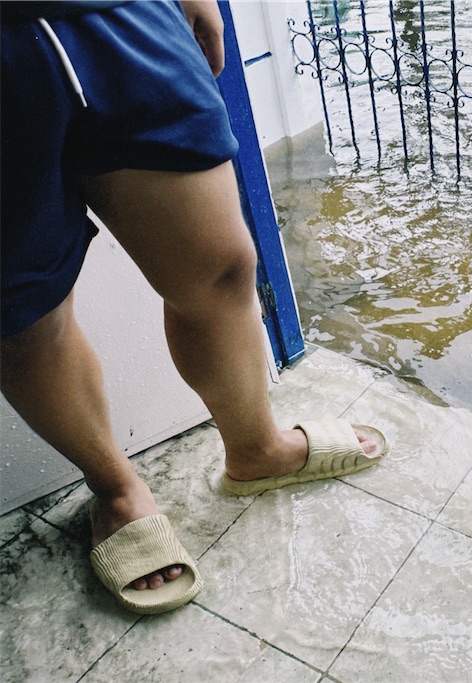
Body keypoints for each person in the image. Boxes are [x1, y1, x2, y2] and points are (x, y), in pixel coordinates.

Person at [0, 0, 390, 614]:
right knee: (24, 319)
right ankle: (116, 489)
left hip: (120, 14)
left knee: (221, 269)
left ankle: (257, 449)